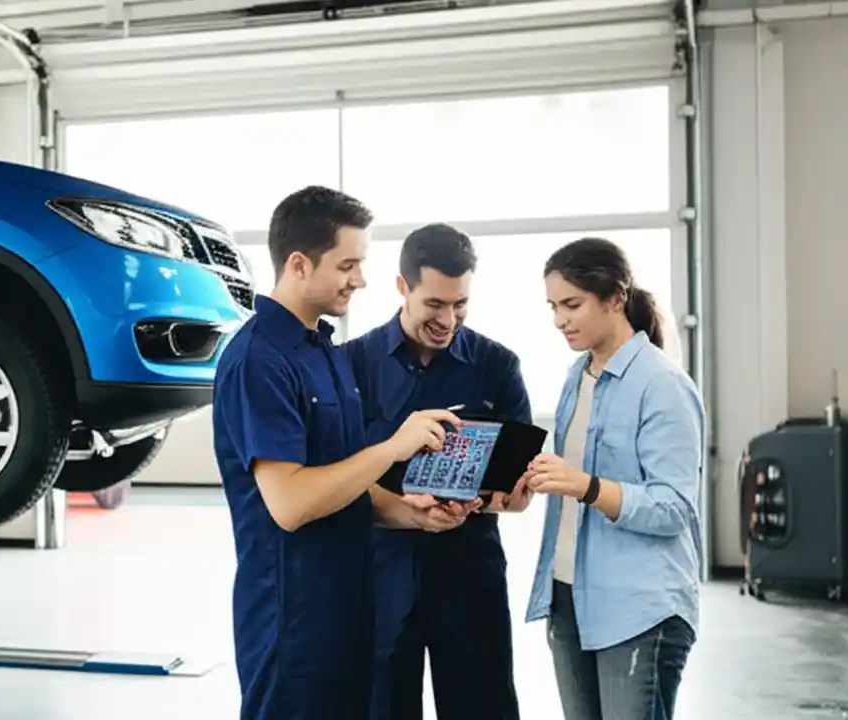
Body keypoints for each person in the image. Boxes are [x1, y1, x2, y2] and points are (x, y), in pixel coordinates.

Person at [212, 188, 478, 720]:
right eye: (347, 265)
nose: (360, 279)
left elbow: (343, 481)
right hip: (291, 626)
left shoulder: (324, 353)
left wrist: (413, 513)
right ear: (299, 264)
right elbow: (291, 503)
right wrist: (393, 447)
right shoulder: (258, 361)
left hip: (349, 615)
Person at [343, 223, 534, 720]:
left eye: (460, 304)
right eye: (434, 304)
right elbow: (337, 475)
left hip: (470, 577)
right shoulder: (351, 365)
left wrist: (488, 499)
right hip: (379, 577)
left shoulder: (498, 367)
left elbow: (517, 491)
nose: (448, 319)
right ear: (402, 286)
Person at [523, 237, 704, 720]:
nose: (559, 320)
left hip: (639, 609)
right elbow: (571, 477)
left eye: (572, 304)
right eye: (553, 307)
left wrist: (587, 486)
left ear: (616, 298)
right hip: (568, 596)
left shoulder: (662, 385)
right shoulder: (576, 375)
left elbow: (673, 507)